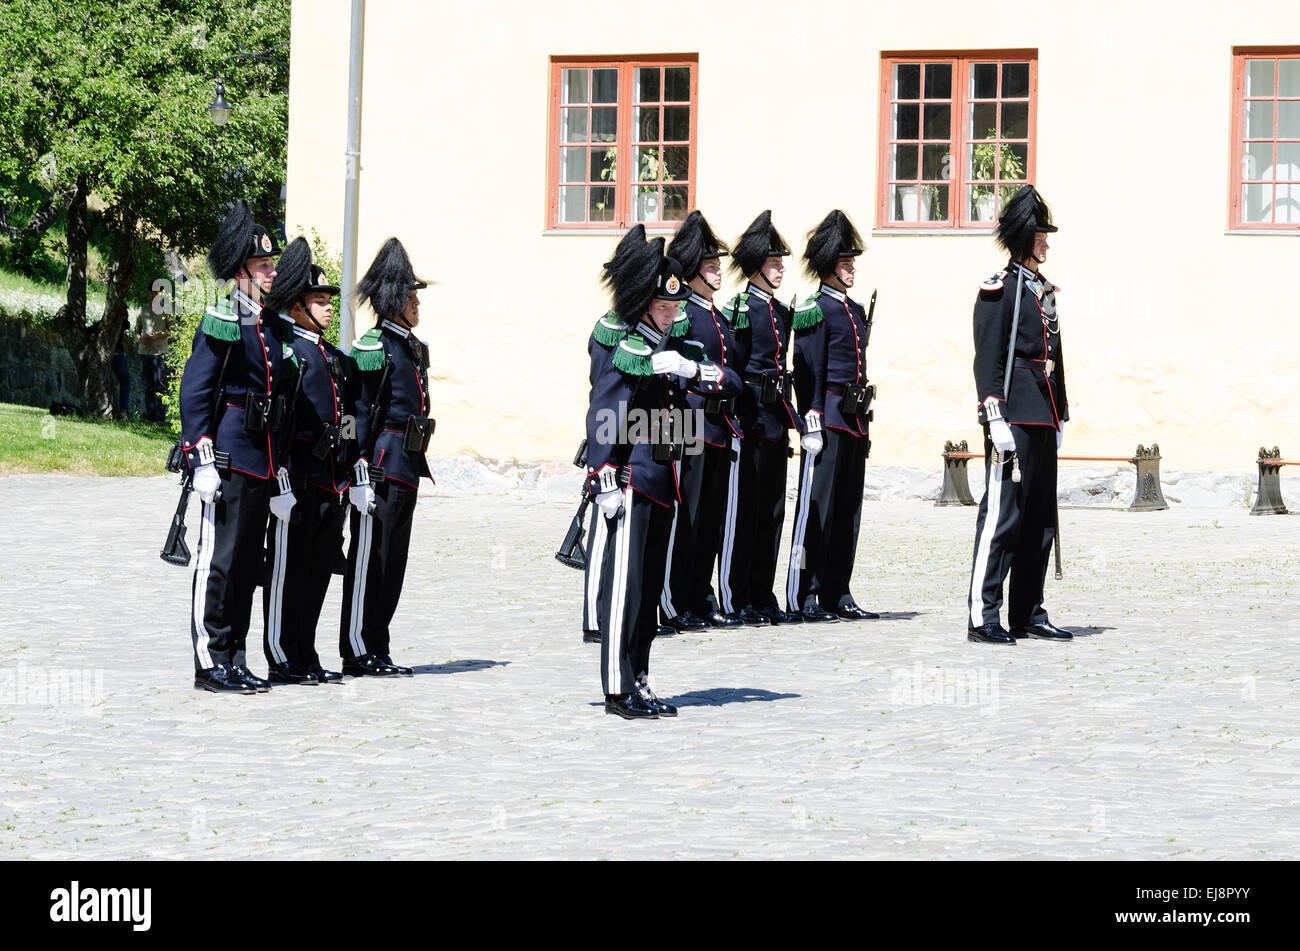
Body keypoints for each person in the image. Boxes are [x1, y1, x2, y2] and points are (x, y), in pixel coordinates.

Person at [586, 238, 728, 719]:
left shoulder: (676, 348)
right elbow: (605, 410)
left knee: (647, 594)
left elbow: (733, 386)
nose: (669, 314)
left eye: (674, 306)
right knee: (625, 591)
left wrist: (694, 368)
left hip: (666, 479)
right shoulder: (628, 348)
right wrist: (602, 472)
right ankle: (616, 687)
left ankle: (639, 678)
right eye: (662, 306)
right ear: (645, 304)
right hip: (632, 479)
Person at [179, 200, 292, 693]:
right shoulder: (224, 316)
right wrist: (199, 454)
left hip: (259, 458)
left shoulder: (268, 323)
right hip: (225, 456)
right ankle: (210, 660)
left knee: (247, 564)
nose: (271, 272)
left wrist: (280, 472)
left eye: (271, 264)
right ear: (240, 270)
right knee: (218, 561)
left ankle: (236, 656)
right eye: (263, 265)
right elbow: (196, 390)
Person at [967, 185, 1072, 644]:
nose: (1047, 242)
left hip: (1043, 413)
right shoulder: (1001, 288)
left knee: (1039, 520)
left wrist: (1061, 412)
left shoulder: (1043, 290)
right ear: (1024, 237)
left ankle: (1028, 610)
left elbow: (1056, 355)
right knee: (1002, 518)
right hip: (1012, 415)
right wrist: (994, 414)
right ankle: (982, 615)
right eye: (1041, 234)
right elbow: (988, 356)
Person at [340, 237, 433, 677]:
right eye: (411, 296)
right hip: (380, 465)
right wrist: (357, 468)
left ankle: (378, 643)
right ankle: (357, 647)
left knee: (393, 562)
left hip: (407, 465)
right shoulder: (374, 347)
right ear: (393, 300)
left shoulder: (411, 347)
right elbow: (357, 413)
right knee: (369, 560)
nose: (417, 304)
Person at [261, 237, 351, 684]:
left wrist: (353, 470)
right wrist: (279, 479)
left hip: (329, 478)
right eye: (319, 300)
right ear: (298, 307)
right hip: (297, 478)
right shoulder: (290, 351)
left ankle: (307, 650)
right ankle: (281, 655)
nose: (329, 308)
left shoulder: (329, 355)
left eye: (329, 301)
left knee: (317, 571)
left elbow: (348, 417)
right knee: (287, 572)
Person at [785, 210, 879, 623]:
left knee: (847, 511)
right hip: (827, 420)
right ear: (828, 269)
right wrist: (812, 417)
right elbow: (809, 370)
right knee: (817, 511)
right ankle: (807, 590)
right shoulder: (814, 310)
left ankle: (838, 590)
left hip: (855, 419)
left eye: (852, 263)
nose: (852, 269)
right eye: (845, 264)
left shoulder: (855, 309)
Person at [659, 211, 744, 632]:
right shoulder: (684, 316)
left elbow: (734, 376)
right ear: (694, 272)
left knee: (710, 520)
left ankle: (701, 592)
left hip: (719, 428)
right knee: (687, 520)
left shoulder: (720, 317)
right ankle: (678, 598)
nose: (718, 273)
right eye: (711, 266)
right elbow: (673, 369)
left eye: (719, 266)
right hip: (691, 428)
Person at [719, 210, 804, 626]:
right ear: (756, 269)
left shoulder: (781, 311)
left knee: (772, 514)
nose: (781, 269)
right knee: (746, 514)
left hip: (774, 423)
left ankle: (763, 594)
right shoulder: (740, 309)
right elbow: (733, 368)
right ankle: (737, 597)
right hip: (749, 421)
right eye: (774, 263)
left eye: (781, 262)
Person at [135, 286, 170, 422]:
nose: (154, 294)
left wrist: (155, 337)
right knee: (148, 385)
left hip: (159, 352)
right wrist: (141, 339)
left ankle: (160, 417)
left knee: (160, 385)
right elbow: (136, 330)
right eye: (152, 292)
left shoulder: (166, 310)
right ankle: (150, 416)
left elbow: (172, 330)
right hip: (145, 352)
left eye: (157, 292)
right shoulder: (143, 309)